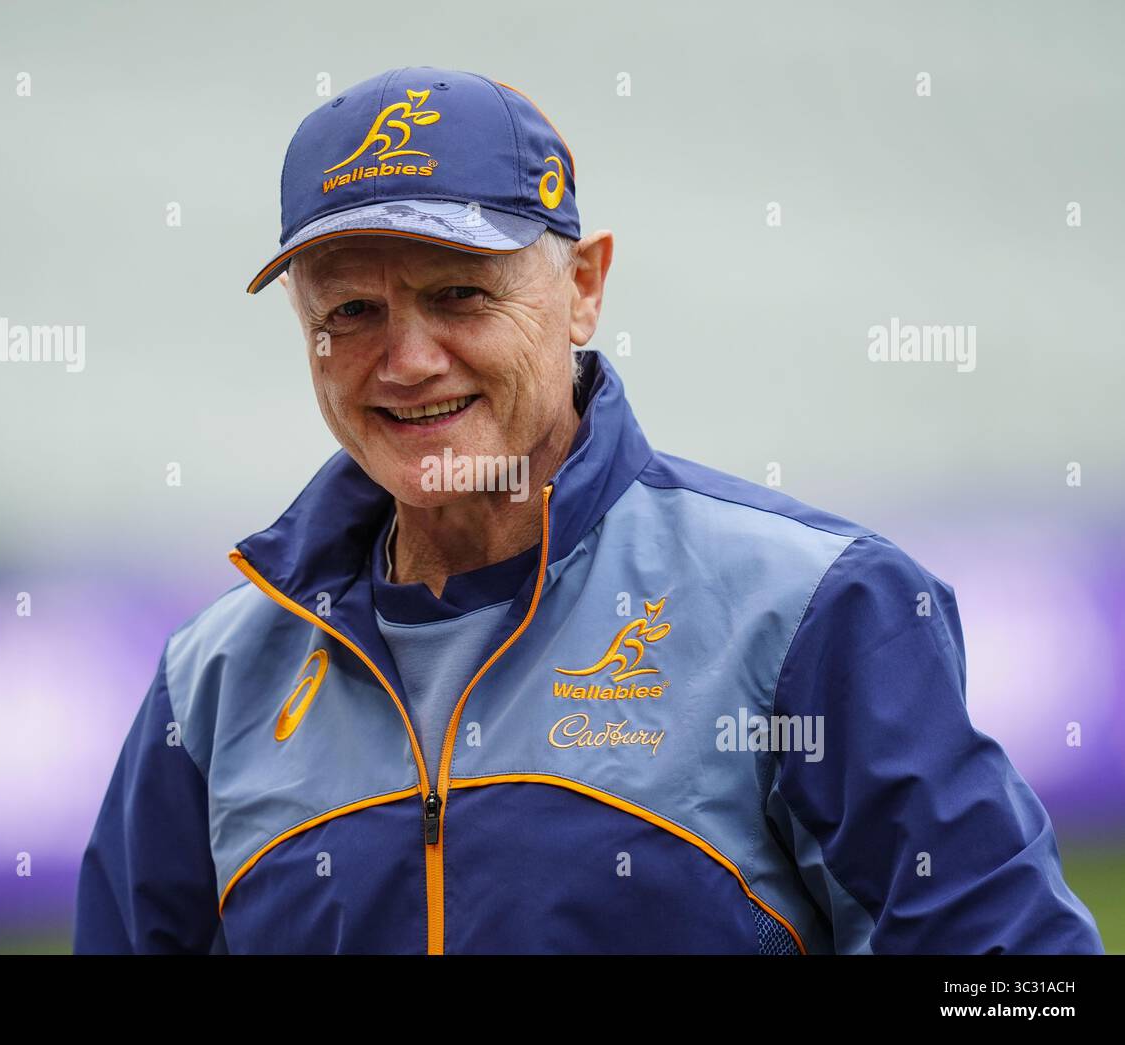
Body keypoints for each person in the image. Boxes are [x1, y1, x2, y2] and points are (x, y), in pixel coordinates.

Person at [73, 66, 1104, 955]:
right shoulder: (208, 683)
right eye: (351, 311)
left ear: (583, 286)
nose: (407, 358)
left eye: (460, 294)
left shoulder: (812, 608)